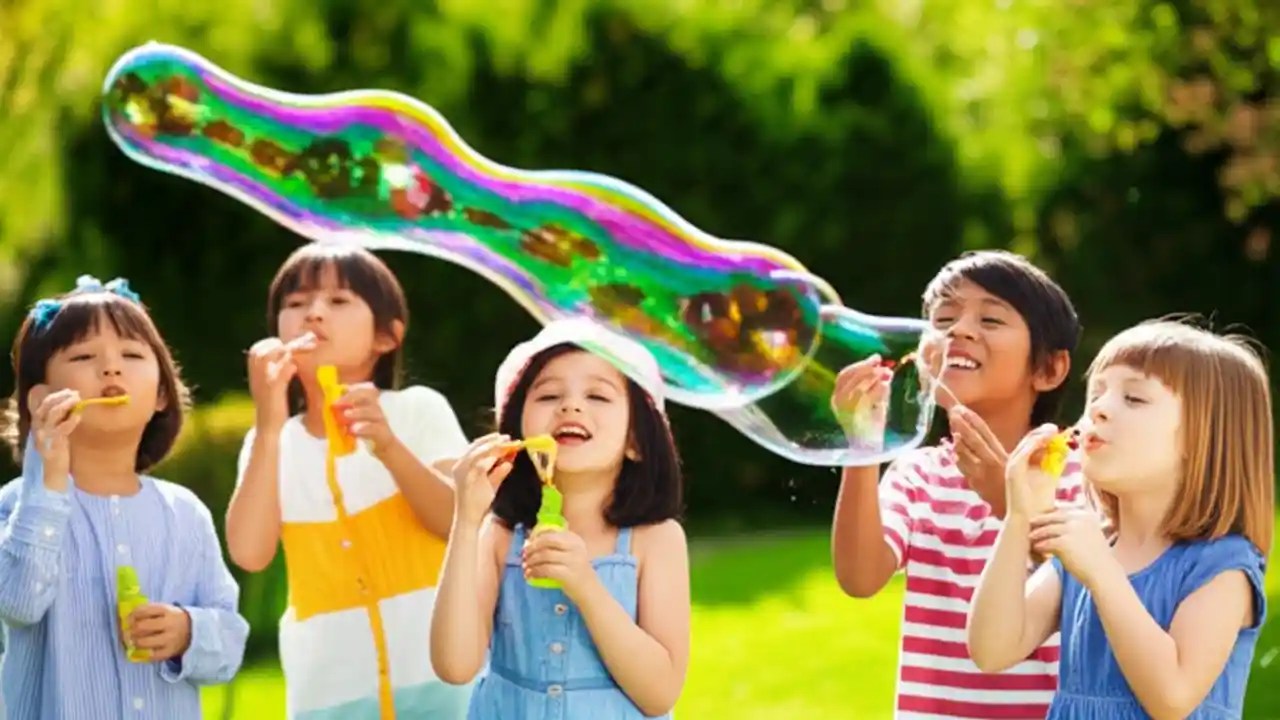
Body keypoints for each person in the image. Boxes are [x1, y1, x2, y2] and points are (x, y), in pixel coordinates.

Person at [969, 320, 1273, 718]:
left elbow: (1173, 697)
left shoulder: (1222, 567)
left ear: (1204, 436)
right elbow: (991, 650)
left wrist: (1101, 571)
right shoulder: (1084, 553)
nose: (1097, 408)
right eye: (1096, 393)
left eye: (1133, 398)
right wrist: (1020, 516)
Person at [830, 250, 1083, 718]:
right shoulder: (918, 474)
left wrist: (1009, 505)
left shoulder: (1077, 472)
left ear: (1048, 369)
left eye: (990, 319)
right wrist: (863, 447)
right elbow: (860, 577)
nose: (959, 331)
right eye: (943, 318)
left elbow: (1097, 587)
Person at [225, 244, 472, 719]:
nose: (313, 314)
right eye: (295, 304)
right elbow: (249, 552)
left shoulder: (416, 410)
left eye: (338, 301)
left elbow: (458, 521)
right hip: (329, 693)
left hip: (438, 677)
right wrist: (269, 423)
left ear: (386, 337)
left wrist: (391, 449)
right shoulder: (270, 440)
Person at [0, 275, 247, 719]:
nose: (111, 369)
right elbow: (18, 603)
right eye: (83, 356)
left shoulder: (184, 514)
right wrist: (48, 478)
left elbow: (230, 642)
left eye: (131, 355)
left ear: (160, 396)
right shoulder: (16, 506)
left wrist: (189, 631)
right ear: (41, 400)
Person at [431, 319, 690, 719]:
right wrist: (466, 521)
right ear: (517, 430)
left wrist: (586, 585)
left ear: (636, 442)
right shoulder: (500, 535)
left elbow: (659, 693)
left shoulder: (655, 539)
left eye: (598, 396)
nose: (570, 405)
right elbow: (454, 665)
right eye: (549, 394)